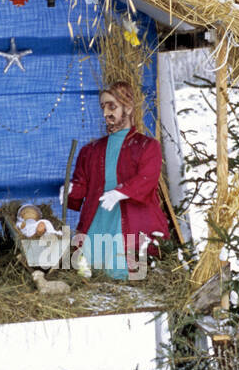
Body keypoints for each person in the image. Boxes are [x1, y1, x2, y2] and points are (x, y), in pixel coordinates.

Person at [65, 81, 168, 279]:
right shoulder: (91, 150)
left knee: (128, 265)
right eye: (103, 107)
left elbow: (147, 179)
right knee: (87, 267)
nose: (106, 113)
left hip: (132, 216)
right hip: (98, 215)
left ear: (128, 108)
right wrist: (70, 191)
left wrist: (121, 192)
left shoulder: (147, 146)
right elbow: (81, 183)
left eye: (112, 106)